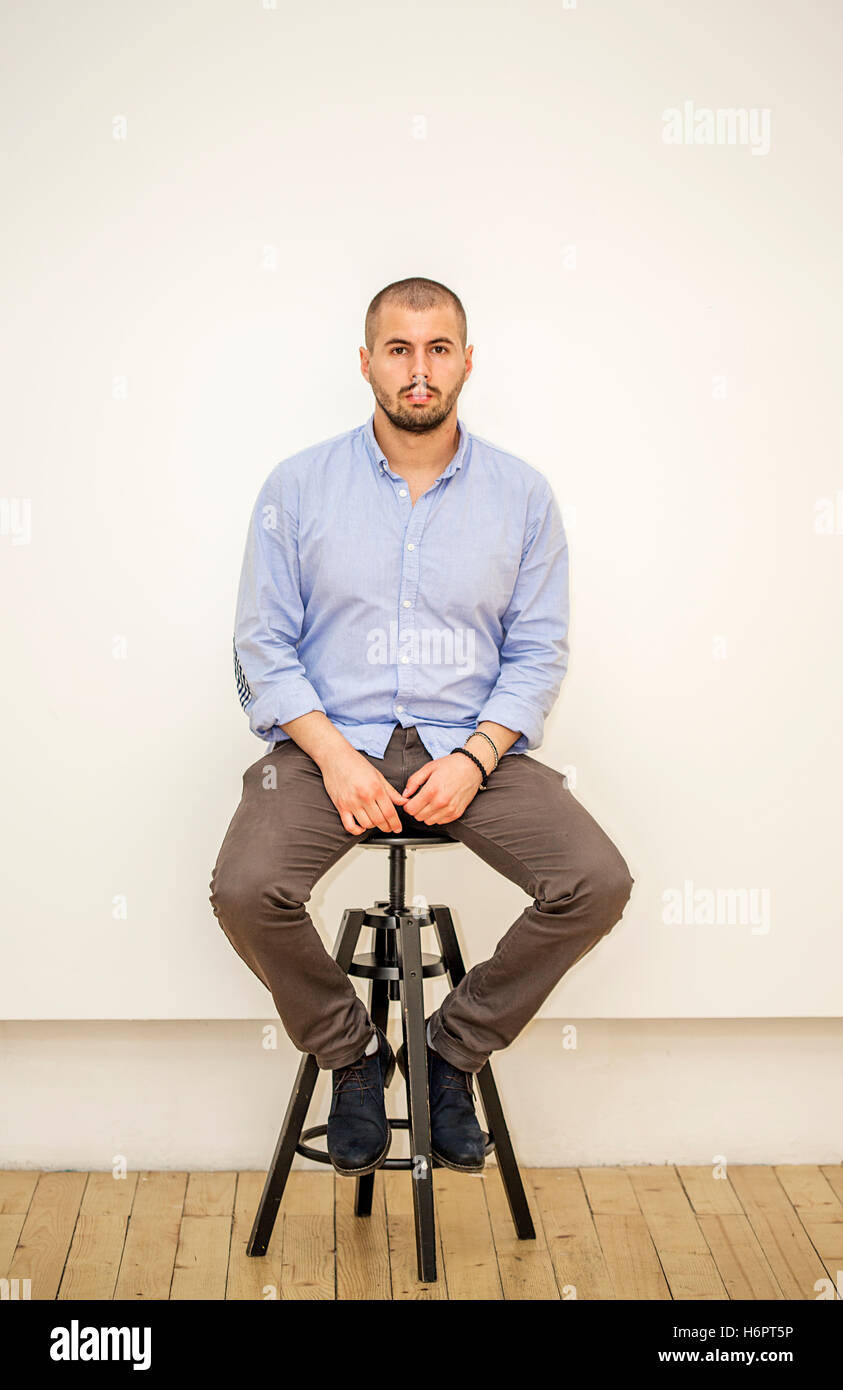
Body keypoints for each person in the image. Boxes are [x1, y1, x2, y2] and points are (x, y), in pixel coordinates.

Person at [209, 276, 634, 1179]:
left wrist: (478, 758)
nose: (418, 369)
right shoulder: (297, 485)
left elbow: (537, 653)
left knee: (594, 881)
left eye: (437, 349)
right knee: (246, 889)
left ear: (466, 362)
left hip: (469, 745)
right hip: (327, 745)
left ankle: (449, 1051)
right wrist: (333, 758)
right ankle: (352, 1058)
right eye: (398, 349)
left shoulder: (522, 496)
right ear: (365, 362)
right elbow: (261, 644)